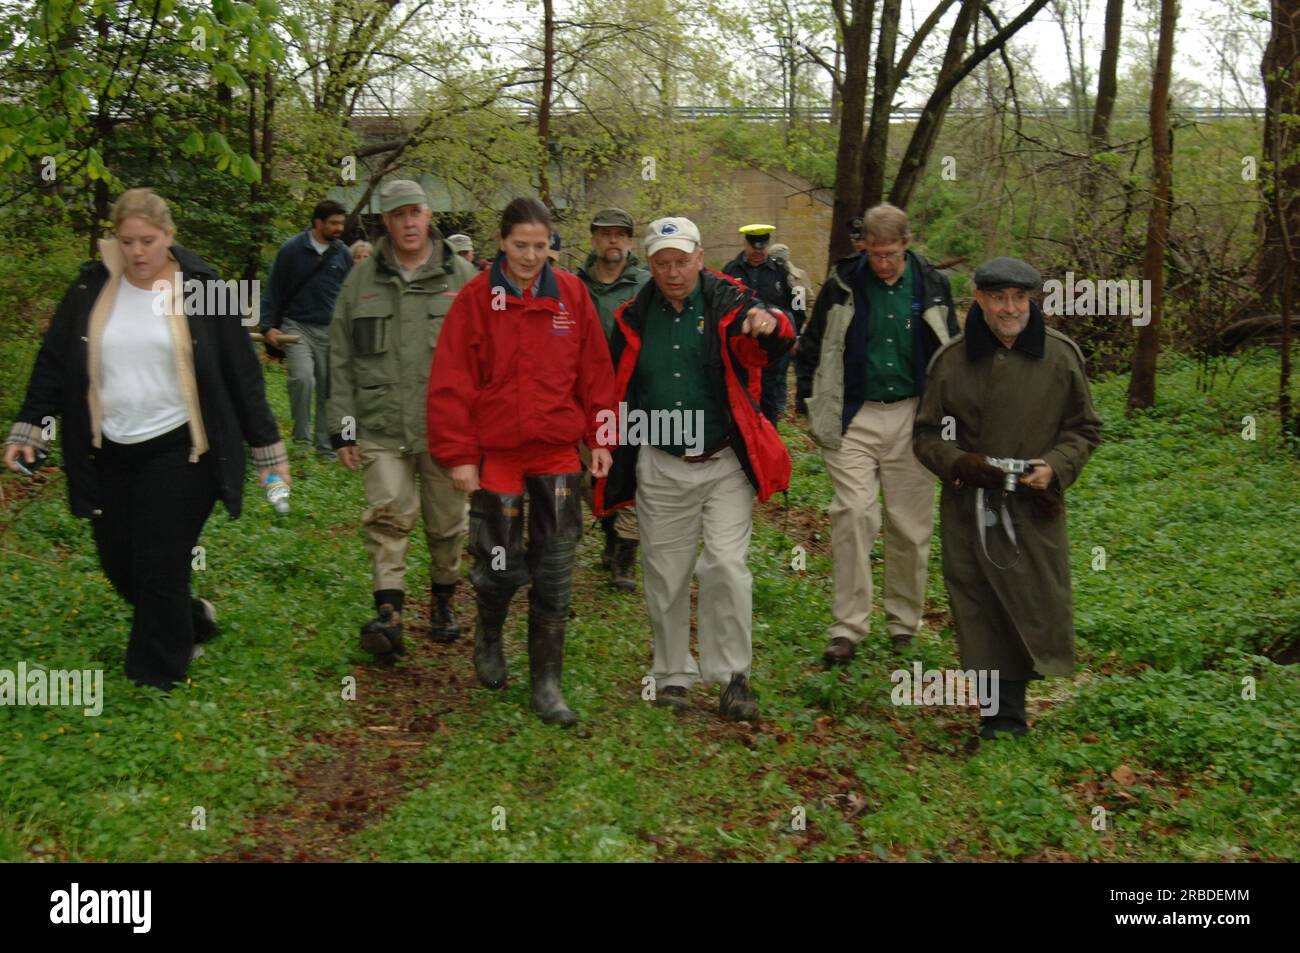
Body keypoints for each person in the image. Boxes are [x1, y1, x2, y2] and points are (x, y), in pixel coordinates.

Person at [4, 187, 288, 690]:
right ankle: (192, 617)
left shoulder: (204, 287)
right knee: (118, 561)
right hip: (108, 449)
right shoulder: (91, 286)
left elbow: (242, 373)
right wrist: (29, 427)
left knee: (160, 558)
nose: (137, 252)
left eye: (148, 240)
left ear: (170, 236)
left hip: (182, 449)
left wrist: (268, 451)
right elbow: (55, 361)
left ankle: (155, 675)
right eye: (127, 240)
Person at [428, 197, 617, 728]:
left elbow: (597, 373)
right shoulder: (474, 299)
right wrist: (459, 456)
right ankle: (489, 634)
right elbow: (449, 382)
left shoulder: (572, 296)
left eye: (540, 246)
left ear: (551, 244)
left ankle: (546, 683)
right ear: (502, 242)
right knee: (500, 567)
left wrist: (601, 438)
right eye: (520, 246)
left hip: (556, 452)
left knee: (555, 572)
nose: (531, 256)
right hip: (496, 457)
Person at [597, 217, 794, 722]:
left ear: (699, 257)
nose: (673, 271)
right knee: (665, 573)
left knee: (726, 565)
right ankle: (671, 675)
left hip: (723, 460)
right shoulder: (633, 317)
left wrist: (768, 323)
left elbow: (770, 332)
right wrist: (602, 440)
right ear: (650, 265)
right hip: (662, 463)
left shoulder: (726, 299)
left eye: (681, 261)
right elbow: (610, 386)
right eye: (662, 263)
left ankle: (732, 677)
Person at [913, 256, 1102, 741]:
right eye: (998, 298)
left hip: (1033, 507)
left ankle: (1016, 706)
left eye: (1019, 298)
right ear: (979, 298)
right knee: (980, 608)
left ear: (1031, 300)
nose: (1009, 308)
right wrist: (959, 463)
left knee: (1032, 600)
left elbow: (1084, 428)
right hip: (970, 508)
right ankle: (1000, 719)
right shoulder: (951, 362)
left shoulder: (1060, 357)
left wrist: (1055, 467)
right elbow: (927, 436)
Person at [795, 202, 957, 666]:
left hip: (912, 414)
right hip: (855, 416)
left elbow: (952, 354)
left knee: (909, 527)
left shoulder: (932, 284)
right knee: (853, 513)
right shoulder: (843, 283)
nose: (882, 262)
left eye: (891, 253)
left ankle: (904, 625)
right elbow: (810, 348)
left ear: (906, 244)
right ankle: (847, 628)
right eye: (875, 252)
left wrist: (947, 417)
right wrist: (813, 402)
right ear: (863, 244)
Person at [327, 179, 478, 658]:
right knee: (388, 516)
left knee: (447, 523)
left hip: (446, 429)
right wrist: (343, 428)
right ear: (385, 222)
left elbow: (485, 360)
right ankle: (389, 615)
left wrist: (480, 432)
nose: (408, 222)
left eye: (415, 212)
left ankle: (443, 601)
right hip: (380, 424)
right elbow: (340, 358)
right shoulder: (360, 283)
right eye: (397, 215)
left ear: (429, 215)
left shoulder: (464, 279)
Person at [575, 207, 650, 591]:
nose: (613, 240)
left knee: (630, 474)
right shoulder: (574, 285)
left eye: (621, 234)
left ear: (630, 241)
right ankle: (608, 528)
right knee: (588, 475)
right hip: (585, 396)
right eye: (606, 234)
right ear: (594, 239)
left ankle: (624, 557)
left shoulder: (644, 284)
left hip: (632, 396)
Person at [260, 199, 351, 458]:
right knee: (302, 378)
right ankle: (301, 441)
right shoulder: (292, 249)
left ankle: (326, 450)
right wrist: (268, 327)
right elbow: (274, 288)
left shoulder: (342, 253)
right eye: (333, 223)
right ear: (318, 222)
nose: (339, 228)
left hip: (331, 330)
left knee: (328, 391)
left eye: (341, 223)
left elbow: (350, 295)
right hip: (296, 327)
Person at [721, 223, 805, 425]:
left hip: (773, 350)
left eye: (763, 247)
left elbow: (798, 303)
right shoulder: (730, 270)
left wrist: (796, 334)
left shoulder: (781, 271)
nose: (759, 252)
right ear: (746, 245)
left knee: (770, 397)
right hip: (740, 350)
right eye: (754, 247)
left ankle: (769, 434)